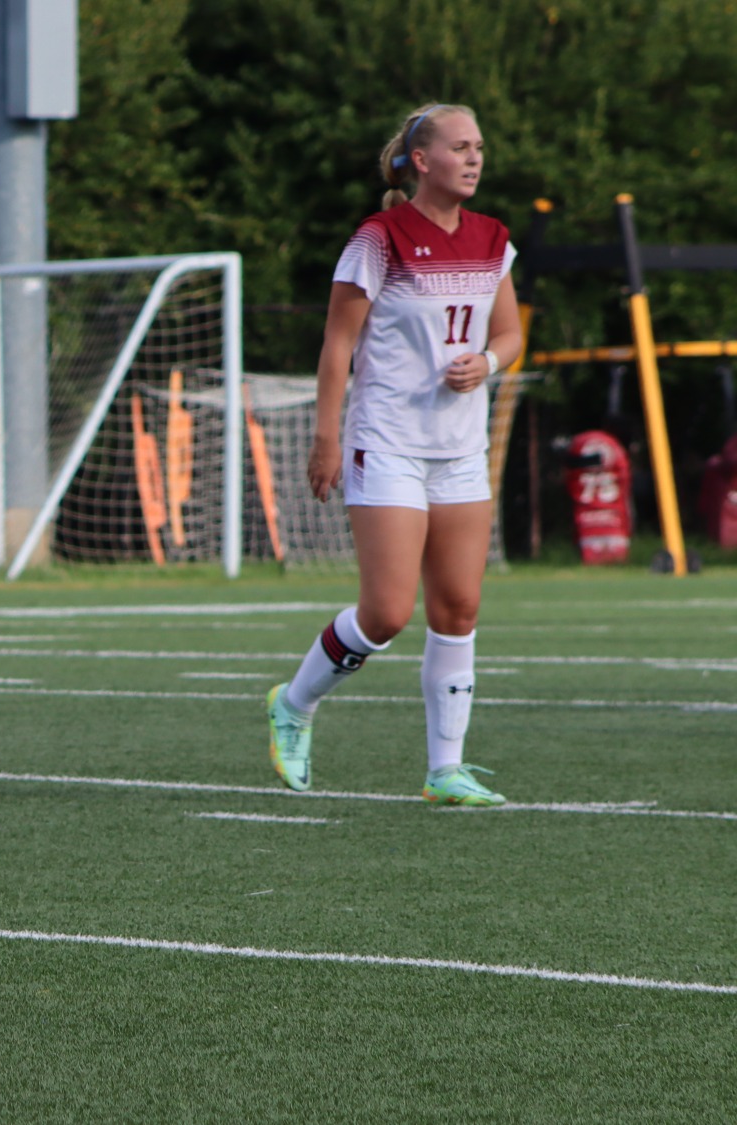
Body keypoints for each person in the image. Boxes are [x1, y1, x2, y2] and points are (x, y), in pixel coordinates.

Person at [264, 103, 522, 807]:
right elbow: (337, 345)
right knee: (384, 612)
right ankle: (294, 704)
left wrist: (488, 365)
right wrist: (326, 437)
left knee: (459, 606)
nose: (473, 158)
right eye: (460, 147)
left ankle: (446, 768)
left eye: (479, 146)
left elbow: (509, 333)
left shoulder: (493, 237)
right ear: (420, 160)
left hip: (459, 449)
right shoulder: (379, 240)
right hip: (388, 443)